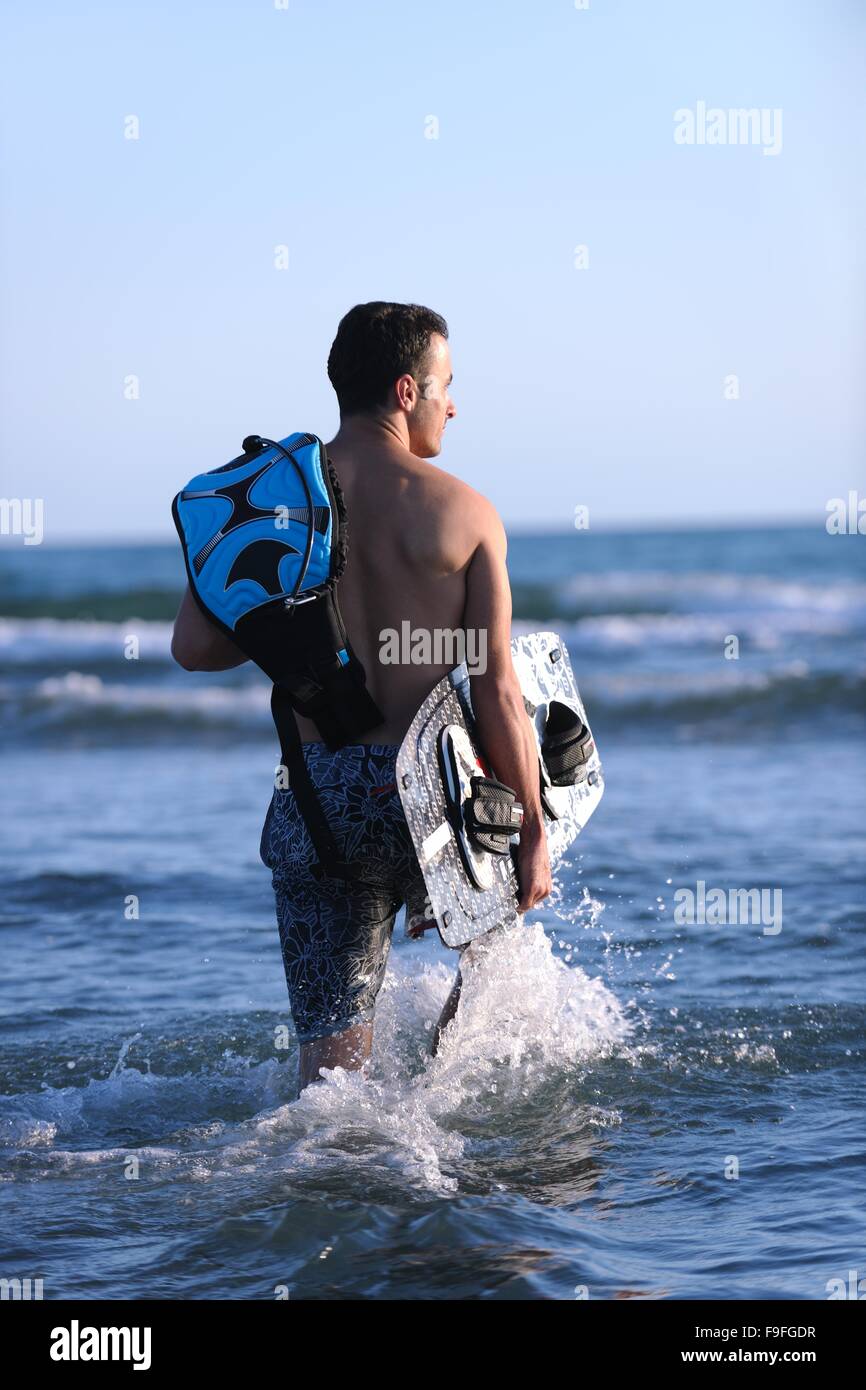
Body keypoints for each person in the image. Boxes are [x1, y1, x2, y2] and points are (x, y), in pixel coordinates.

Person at [171, 302, 552, 1090]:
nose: (456, 404)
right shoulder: (468, 514)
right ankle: (441, 1124)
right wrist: (534, 828)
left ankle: (336, 1166)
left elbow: (194, 649)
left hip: (321, 799)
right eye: (447, 386)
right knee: (491, 963)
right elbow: (498, 689)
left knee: (330, 1082)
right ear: (408, 390)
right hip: (437, 798)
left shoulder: (277, 501)